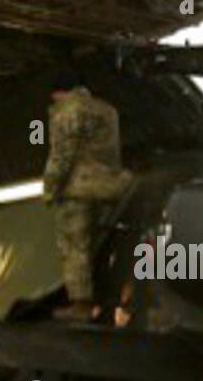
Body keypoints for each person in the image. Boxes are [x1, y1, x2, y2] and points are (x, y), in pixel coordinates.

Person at [42, 69, 134, 322]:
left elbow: (62, 156)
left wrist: (50, 188)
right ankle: (111, 300)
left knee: (75, 247)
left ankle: (81, 306)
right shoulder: (107, 110)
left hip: (79, 189)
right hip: (111, 187)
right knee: (105, 246)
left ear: (58, 93)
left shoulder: (66, 111)